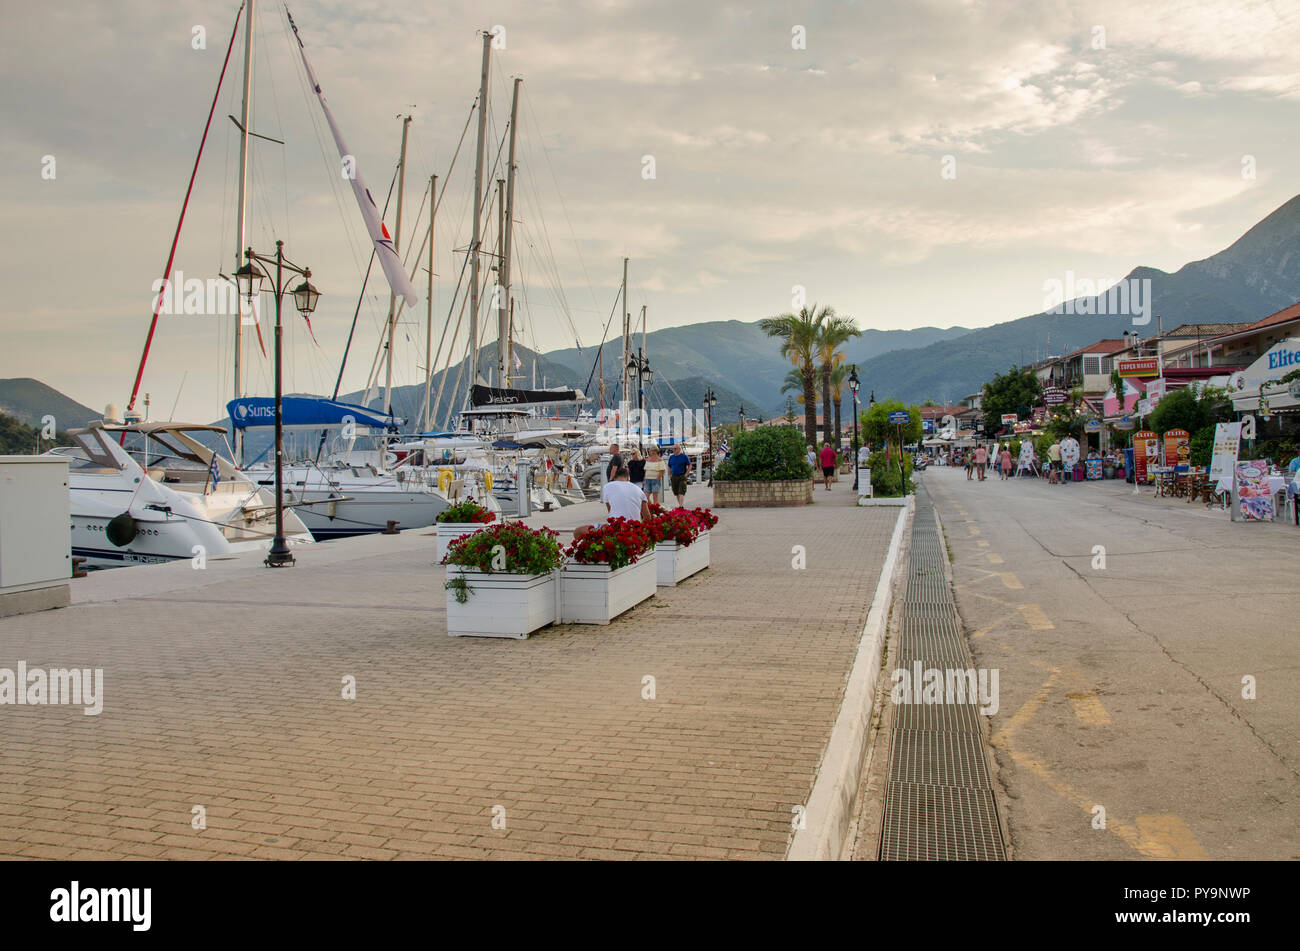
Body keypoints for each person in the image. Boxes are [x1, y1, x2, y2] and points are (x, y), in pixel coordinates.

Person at [574, 465, 649, 539]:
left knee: (578, 531)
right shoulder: (639, 490)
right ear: (628, 478)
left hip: (614, 529)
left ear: (615, 477)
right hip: (634, 530)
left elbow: (610, 511)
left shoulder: (607, 486)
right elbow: (647, 517)